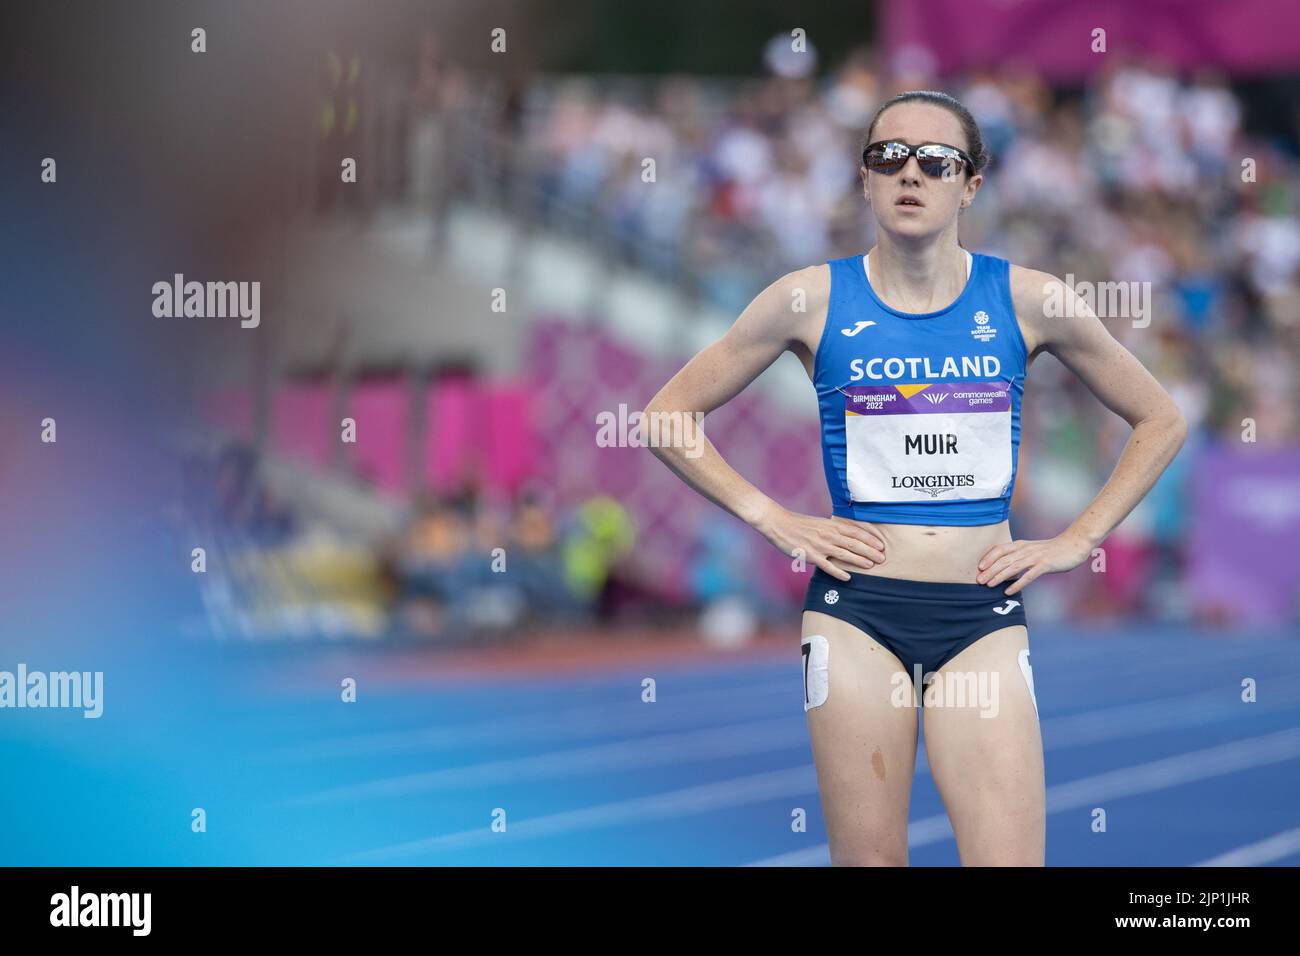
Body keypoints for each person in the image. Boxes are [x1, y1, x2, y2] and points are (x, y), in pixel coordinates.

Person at [642, 90, 1186, 866]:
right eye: (886, 156)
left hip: (981, 617)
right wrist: (775, 519)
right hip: (856, 615)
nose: (909, 173)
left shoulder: (1031, 300)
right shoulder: (809, 299)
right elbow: (666, 417)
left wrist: (1078, 539)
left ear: (970, 186)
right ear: (863, 180)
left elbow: (1160, 419)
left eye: (936, 161)